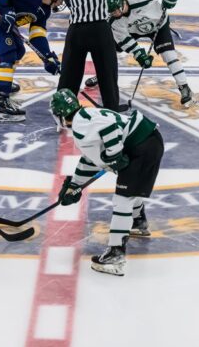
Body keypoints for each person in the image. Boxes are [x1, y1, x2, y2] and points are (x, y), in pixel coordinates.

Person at [50, 88, 164, 276]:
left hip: (142, 146)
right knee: (130, 190)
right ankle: (138, 222)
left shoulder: (80, 129)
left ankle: (116, 255)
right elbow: (91, 159)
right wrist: (74, 184)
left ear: (60, 115)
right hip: (149, 140)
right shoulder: (86, 114)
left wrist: (113, 153)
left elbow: (109, 132)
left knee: (123, 199)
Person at [87, 0, 193, 107]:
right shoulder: (114, 20)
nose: (114, 14)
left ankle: (184, 87)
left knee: (169, 55)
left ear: (122, 2)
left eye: (115, 10)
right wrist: (140, 55)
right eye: (111, 12)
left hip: (158, 24)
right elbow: (125, 39)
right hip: (134, 30)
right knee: (109, 49)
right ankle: (102, 75)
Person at [0, 0, 67, 122]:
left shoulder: (45, 11)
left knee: (19, 51)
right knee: (8, 54)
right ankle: (2, 100)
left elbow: (37, 35)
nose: (62, 2)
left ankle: (1, 83)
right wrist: (7, 11)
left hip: (3, 21)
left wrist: (47, 57)